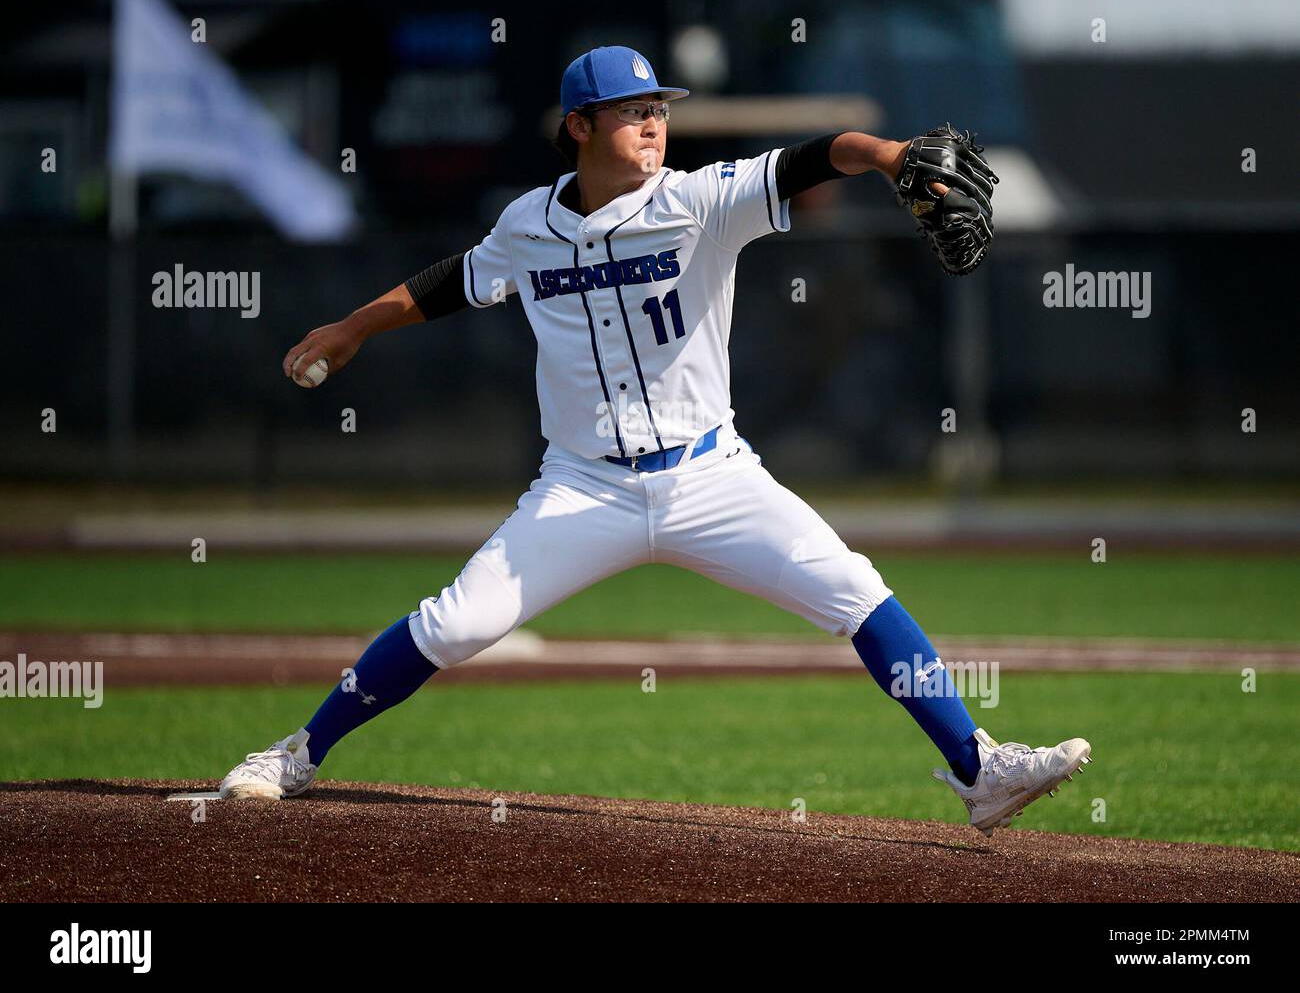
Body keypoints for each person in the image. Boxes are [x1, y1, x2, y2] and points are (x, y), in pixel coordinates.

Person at [219, 46, 1089, 836]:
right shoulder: (529, 223)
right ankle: (297, 753)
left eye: (659, 109)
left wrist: (892, 155)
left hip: (712, 476)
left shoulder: (700, 201)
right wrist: (353, 328)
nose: (654, 124)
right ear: (580, 127)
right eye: (634, 112)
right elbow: (451, 283)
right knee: (455, 623)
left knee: (855, 591)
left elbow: (820, 155)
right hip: (581, 488)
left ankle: (980, 771)